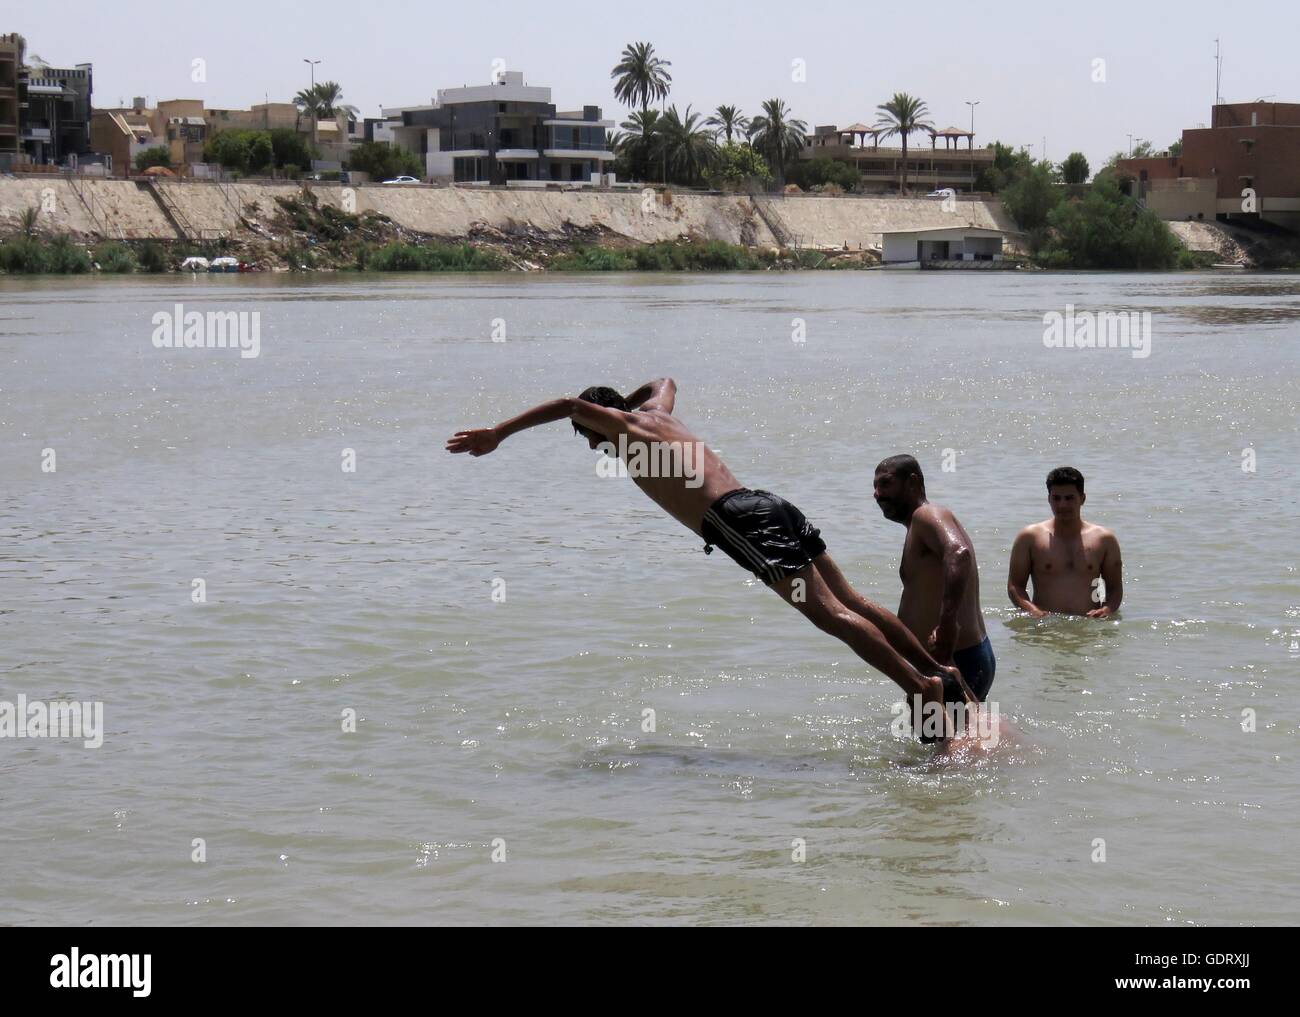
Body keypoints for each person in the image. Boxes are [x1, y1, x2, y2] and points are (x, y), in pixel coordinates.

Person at [447, 378, 975, 742]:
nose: (592, 447)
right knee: (852, 598)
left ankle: (920, 686)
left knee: (829, 615)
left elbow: (566, 403)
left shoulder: (626, 429)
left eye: (589, 437)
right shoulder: (654, 417)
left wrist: (499, 433)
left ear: (600, 420)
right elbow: (665, 380)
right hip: (769, 502)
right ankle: (939, 670)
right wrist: (626, 402)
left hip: (734, 520)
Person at [873, 454, 995, 703]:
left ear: (912, 482)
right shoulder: (919, 525)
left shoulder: (927, 515)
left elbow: (959, 554)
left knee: (954, 739)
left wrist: (947, 625)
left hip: (953, 658)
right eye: (875, 486)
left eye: (885, 484)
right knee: (960, 738)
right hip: (957, 657)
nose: (877, 494)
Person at [1008, 466, 1123, 618]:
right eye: (1056, 498)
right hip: (1046, 627)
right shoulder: (1029, 538)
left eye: (1069, 498)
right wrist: (1032, 611)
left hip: (1088, 625)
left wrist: (1107, 609)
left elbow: (1114, 589)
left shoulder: (1104, 540)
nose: (1062, 505)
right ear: (1049, 499)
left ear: (1082, 498)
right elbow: (1015, 586)